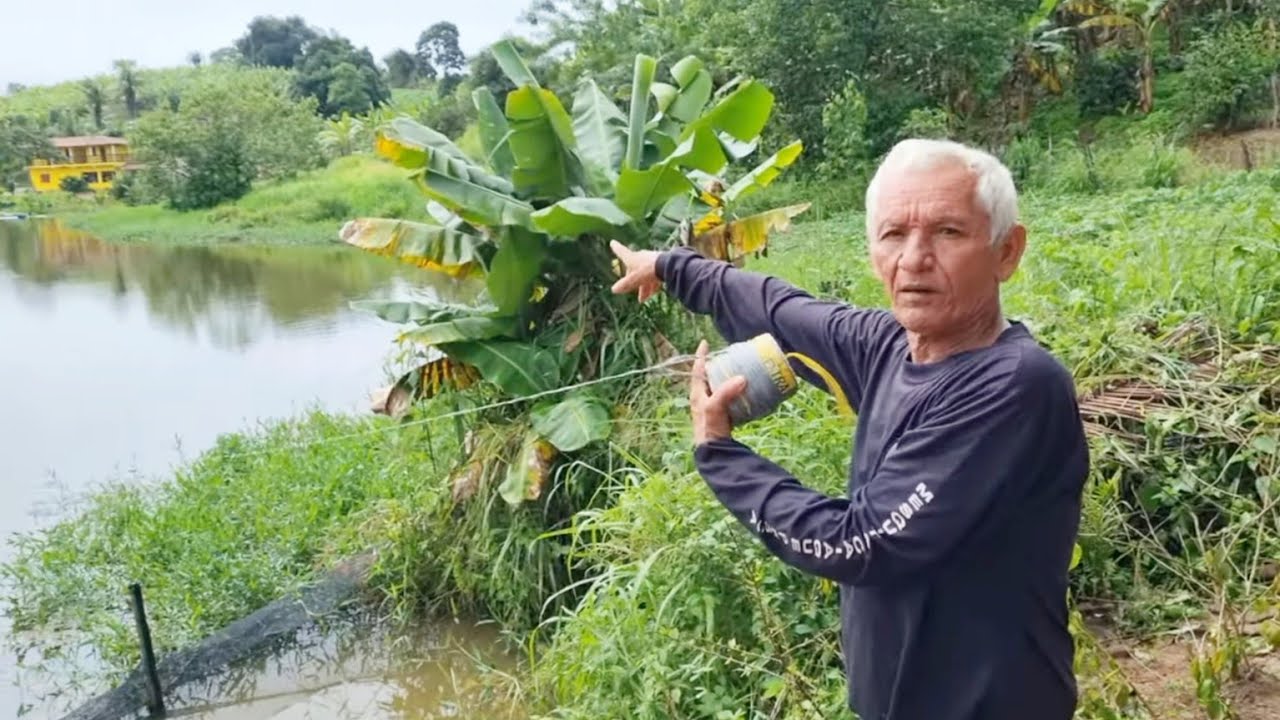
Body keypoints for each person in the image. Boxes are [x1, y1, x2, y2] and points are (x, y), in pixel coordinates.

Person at [609, 138, 1089, 720]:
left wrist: (721, 455)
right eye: (893, 234)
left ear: (1006, 251)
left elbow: (861, 542)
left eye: (948, 233)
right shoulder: (892, 347)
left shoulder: (1012, 386)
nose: (913, 258)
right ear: (871, 250)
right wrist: (668, 265)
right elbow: (781, 309)